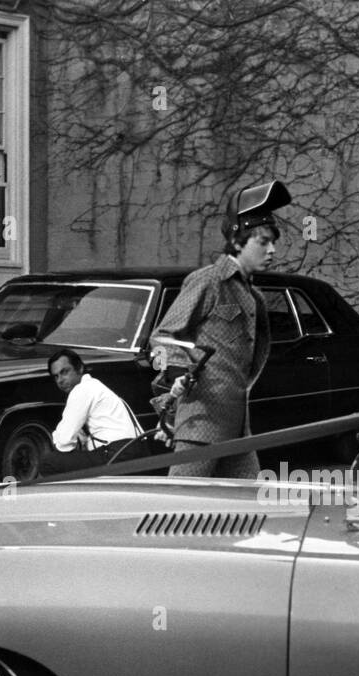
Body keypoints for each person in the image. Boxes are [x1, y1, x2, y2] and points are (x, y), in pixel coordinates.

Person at [150, 180, 290, 479]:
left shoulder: (255, 296)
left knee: (247, 512)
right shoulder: (208, 281)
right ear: (238, 242)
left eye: (273, 242)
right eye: (262, 242)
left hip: (239, 428)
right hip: (201, 425)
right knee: (180, 511)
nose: (272, 250)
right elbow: (161, 338)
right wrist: (178, 373)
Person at [39, 350, 145, 475]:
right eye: (56, 376)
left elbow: (64, 442)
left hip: (119, 453)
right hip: (138, 451)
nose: (60, 380)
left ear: (79, 368)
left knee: (49, 462)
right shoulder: (95, 386)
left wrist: (59, 439)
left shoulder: (82, 390)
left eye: (64, 372)